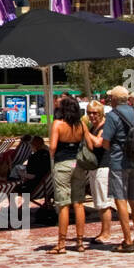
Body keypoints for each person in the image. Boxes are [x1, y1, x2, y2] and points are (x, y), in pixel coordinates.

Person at [102, 85, 134, 252]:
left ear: (113, 99)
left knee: (120, 200)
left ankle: (127, 240)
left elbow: (106, 142)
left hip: (119, 162)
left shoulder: (112, 116)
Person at [48, 96, 87, 253]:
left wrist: (53, 157)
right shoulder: (81, 125)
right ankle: (80, 242)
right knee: (78, 203)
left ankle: (62, 243)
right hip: (77, 164)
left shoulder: (58, 124)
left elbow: (52, 146)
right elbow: (89, 143)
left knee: (63, 204)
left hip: (63, 164)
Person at [80, 101, 114, 245]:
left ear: (101, 112)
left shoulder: (105, 126)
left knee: (104, 203)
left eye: (95, 113)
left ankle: (106, 232)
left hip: (103, 167)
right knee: (98, 203)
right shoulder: (94, 127)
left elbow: (98, 143)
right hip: (95, 167)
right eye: (89, 113)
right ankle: (103, 231)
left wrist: (85, 131)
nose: (92, 116)